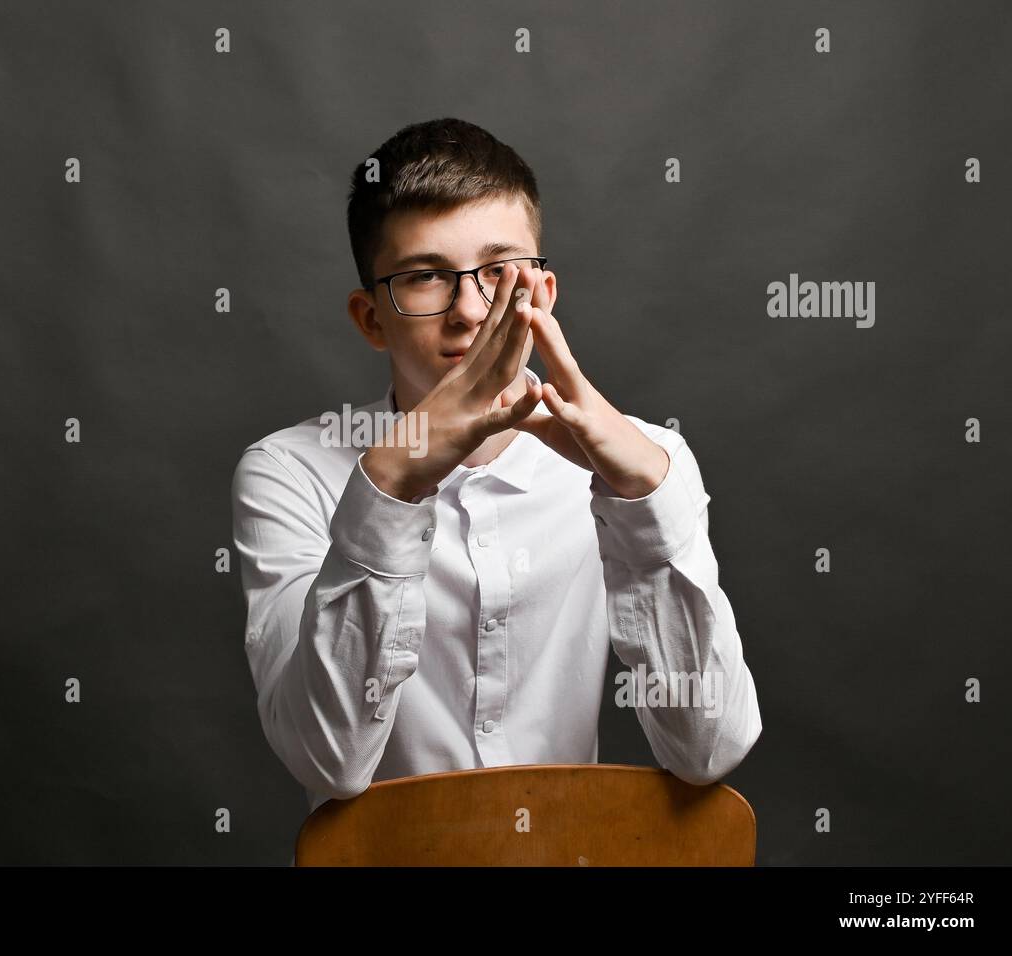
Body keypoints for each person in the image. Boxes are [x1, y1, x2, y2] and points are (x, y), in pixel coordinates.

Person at [230, 117, 762, 823]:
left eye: (501, 272)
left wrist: (643, 502)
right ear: (370, 318)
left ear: (541, 290)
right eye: (424, 277)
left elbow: (710, 750)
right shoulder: (288, 472)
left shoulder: (646, 460)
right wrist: (390, 488)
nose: (472, 311)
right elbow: (328, 759)